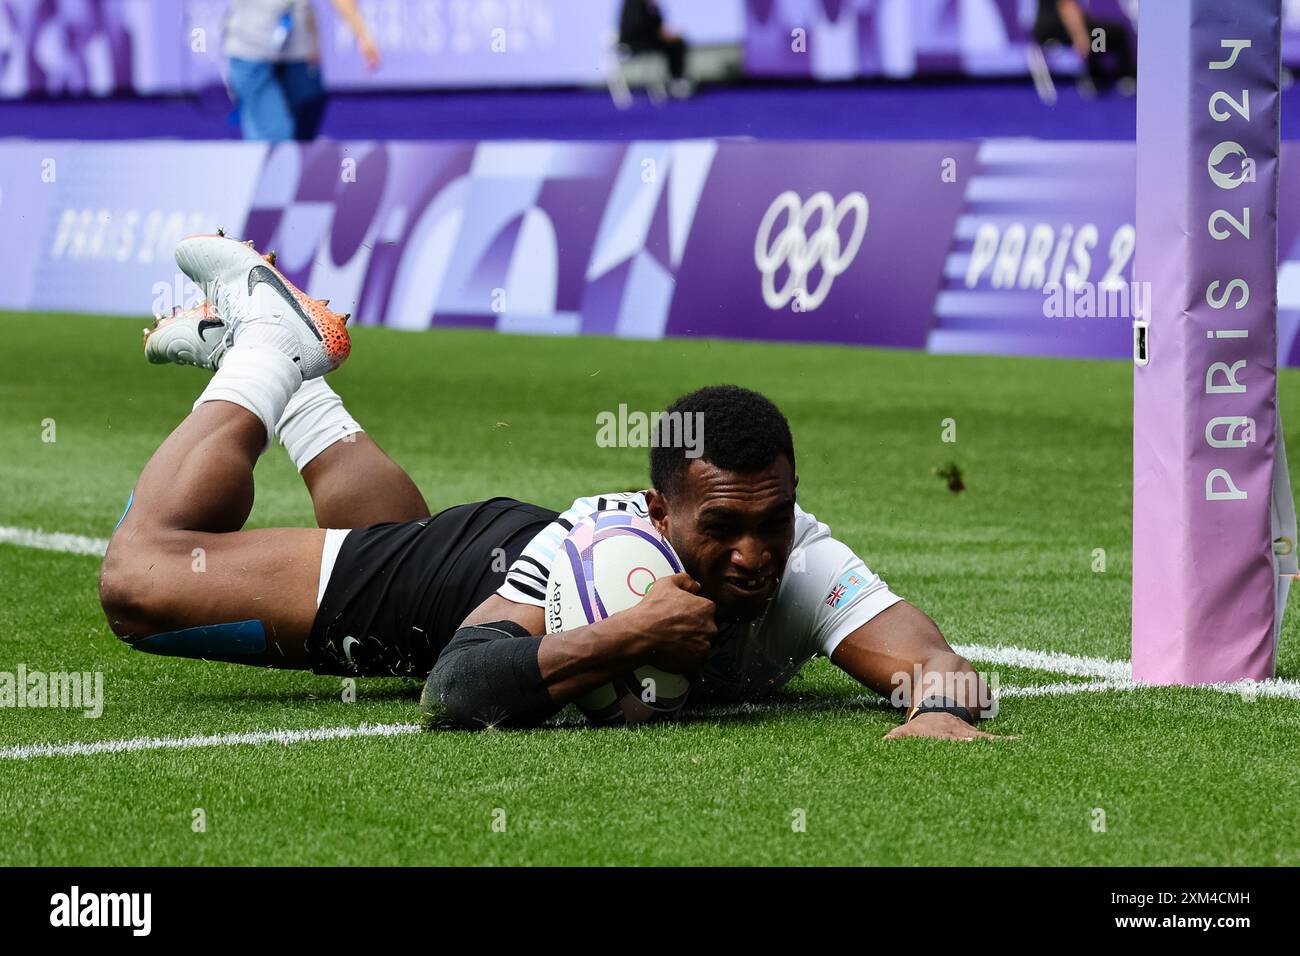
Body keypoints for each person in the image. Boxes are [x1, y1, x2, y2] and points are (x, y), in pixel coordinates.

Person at [104, 233, 1005, 741]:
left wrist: (941, 710)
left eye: (771, 522)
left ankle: (299, 378)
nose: (751, 555)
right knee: (141, 585)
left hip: (467, 566)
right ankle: (266, 340)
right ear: (660, 512)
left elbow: (935, 662)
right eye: (723, 527)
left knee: (379, 533)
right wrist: (627, 637)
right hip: (466, 574)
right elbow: (455, 692)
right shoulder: (584, 545)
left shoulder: (798, 561)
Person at [223, 0, 380, 141]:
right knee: (274, 134)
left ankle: (294, 164)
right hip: (250, 52)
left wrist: (362, 35)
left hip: (300, 49)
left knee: (306, 117)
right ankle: (274, 164)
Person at [1034, 0, 1136, 94]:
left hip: (1045, 28)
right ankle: (1121, 78)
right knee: (1103, 33)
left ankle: (1095, 77)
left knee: (1097, 32)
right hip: (1058, 27)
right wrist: (1080, 35)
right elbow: (1066, 5)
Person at [618, 0, 692, 97]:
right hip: (635, 42)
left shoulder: (651, 4)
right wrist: (661, 35)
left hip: (649, 39)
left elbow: (658, 22)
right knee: (674, 45)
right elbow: (636, 26)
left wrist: (666, 34)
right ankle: (676, 81)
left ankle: (676, 80)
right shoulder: (633, 3)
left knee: (677, 43)